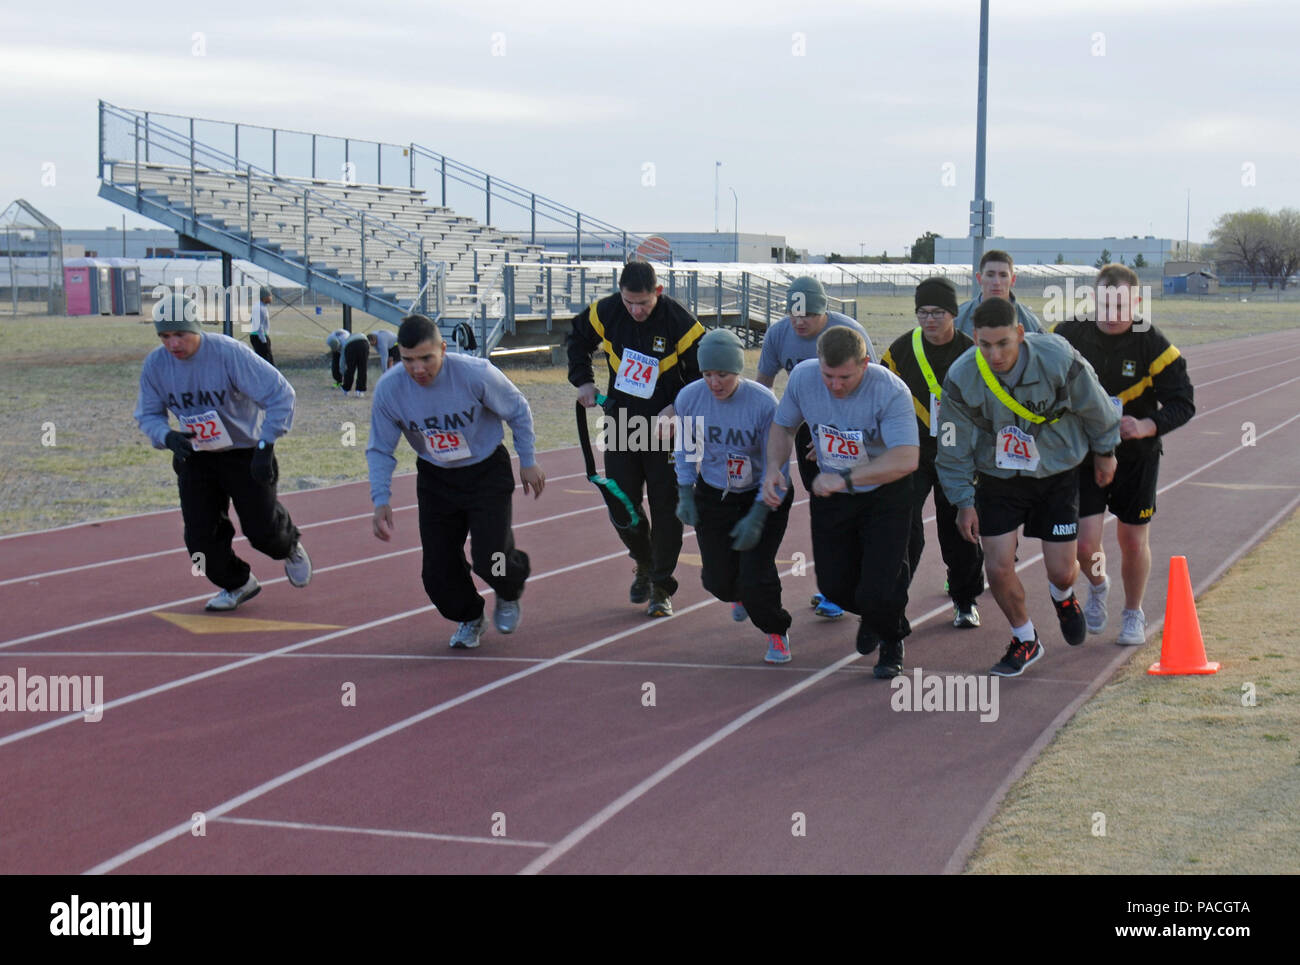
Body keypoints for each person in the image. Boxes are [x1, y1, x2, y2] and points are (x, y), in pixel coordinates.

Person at [936, 297, 1120, 677]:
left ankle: (1064, 597)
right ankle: (1025, 637)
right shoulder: (961, 376)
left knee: (1062, 571)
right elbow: (952, 445)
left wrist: (1105, 451)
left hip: (1056, 474)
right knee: (998, 565)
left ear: (1021, 333)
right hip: (999, 479)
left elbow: (1095, 404)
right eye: (984, 345)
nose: (994, 354)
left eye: (1003, 343)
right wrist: (963, 501)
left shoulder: (1056, 357)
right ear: (974, 339)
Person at [367, 314, 545, 649]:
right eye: (408, 360)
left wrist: (529, 461)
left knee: (490, 557)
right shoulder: (390, 390)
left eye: (426, 359)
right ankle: (470, 616)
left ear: (443, 350)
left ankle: (508, 591)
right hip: (436, 478)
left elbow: (518, 410)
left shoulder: (474, 374)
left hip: (485, 471)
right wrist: (381, 499)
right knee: (436, 570)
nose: (418, 369)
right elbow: (380, 448)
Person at [134, 292, 312, 611]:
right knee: (200, 541)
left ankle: (289, 546)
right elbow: (147, 414)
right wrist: (166, 435)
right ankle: (237, 583)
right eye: (165, 336)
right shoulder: (156, 365)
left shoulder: (228, 353)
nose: (173, 344)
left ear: (197, 329)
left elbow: (280, 394)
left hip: (245, 452)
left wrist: (266, 443)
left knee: (261, 531)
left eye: (180, 334)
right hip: (195, 456)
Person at [761, 326, 919, 679]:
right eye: (827, 375)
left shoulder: (890, 390)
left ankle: (891, 638)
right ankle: (875, 613)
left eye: (844, 376)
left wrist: (846, 476)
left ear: (865, 363)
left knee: (878, 586)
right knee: (832, 585)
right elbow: (783, 427)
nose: (834, 385)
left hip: (884, 492)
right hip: (833, 495)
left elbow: (907, 457)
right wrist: (774, 468)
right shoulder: (803, 378)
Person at [1052, 263, 1195, 645]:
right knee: (1085, 544)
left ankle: (1133, 611)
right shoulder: (1068, 334)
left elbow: (1184, 402)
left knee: (1132, 541)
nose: (1112, 316)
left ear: (1135, 304)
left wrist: (1147, 425)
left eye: (1121, 307)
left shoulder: (1152, 343)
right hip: (1084, 455)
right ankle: (1098, 587)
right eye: (1104, 305)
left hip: (1136, 458)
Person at [567, 260, 705, 618]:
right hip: (622, 423)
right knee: (621, 504)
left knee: (666, 509)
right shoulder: (607, 311)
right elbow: (577, 338)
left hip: (666, 429)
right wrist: (583, 379)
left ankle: (661, 585)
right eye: (629, 302)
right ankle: (644, 562)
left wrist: (677, 407)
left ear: (657, 293)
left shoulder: (679, 320)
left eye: (642, 303)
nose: (635, 310)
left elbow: (701, 373)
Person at [755, 275, 876, 622]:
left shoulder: (848, 332)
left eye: (808, 315)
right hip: (808, 428)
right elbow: (763, 387)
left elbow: (871, 392)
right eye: (794, 315)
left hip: (849, 427)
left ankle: (856, 580)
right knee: (824, 507)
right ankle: (834, 586)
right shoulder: (778, 334)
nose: (800, 322)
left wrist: (838, 434)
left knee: (853, 506)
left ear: (824, 312)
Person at [674, 329, 794, 663]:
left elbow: (778, 464)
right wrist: (685, 491)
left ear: (737, 371)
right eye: (707, 374)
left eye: (723, 374)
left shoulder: (762, 402)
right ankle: (736, 594)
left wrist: (758, 514)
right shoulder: (689, 398)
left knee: (756, 575)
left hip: (763, 492)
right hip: (714, 493)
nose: (715, 382)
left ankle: (776, 630)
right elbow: (684, 449)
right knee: (718, 582)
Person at [881, 277, 985, 629]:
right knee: (901, 526)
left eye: (938, 312)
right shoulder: (899, 351)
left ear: (953, 313)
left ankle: (965, 599)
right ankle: (895, 601)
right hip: (913, 451)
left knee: (958, 528)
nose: (929, 319)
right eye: (922, 312)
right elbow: (878, 397)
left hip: (958, 455)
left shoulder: (973, 352)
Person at [953, 250, 1043, 339]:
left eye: (1003, 275)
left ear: (1013, 280)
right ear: (979, 278)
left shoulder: (1031, 323)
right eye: (990, 275)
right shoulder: (958, 319)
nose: (996, 282)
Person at [248, 286, 275, 366]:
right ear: (264, 297)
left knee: (266, 360)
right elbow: (259, 326)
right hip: (259, 337)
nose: (271, 298)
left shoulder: (261, 306)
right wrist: (264, 341)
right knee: (266, 361)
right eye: (269, 296)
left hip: (258, 336)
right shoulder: (260, 308)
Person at [341, 329, 371, 397]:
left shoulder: (345, 343)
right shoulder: (361, 336)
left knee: (350, 368)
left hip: (351, 346)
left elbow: (342, 360)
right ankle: (360, 391)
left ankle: (346, 389)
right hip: (364, 344)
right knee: (363, 368)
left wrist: (342, 371)